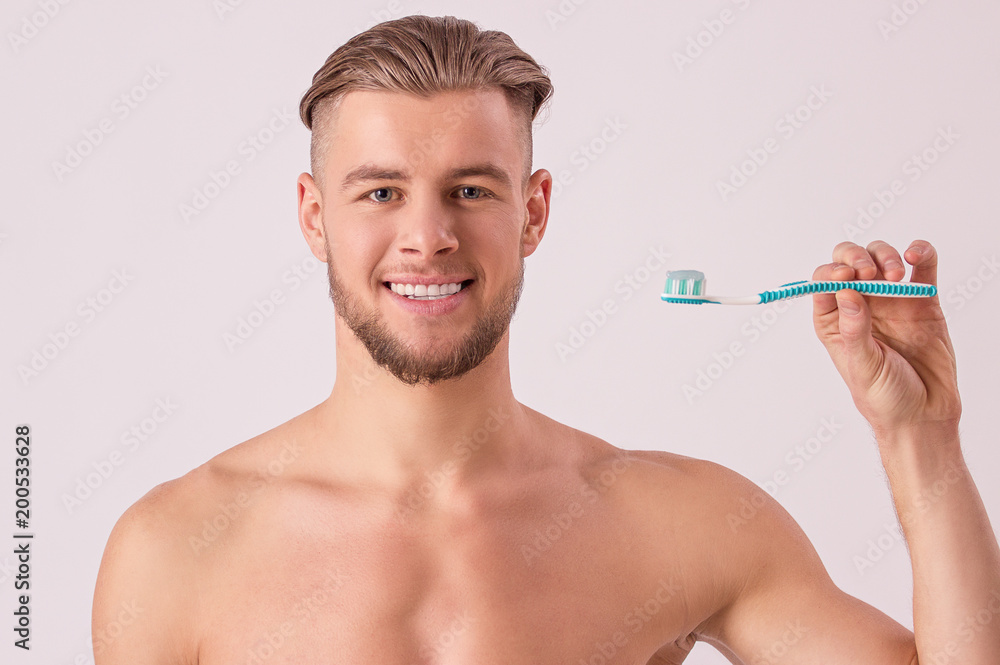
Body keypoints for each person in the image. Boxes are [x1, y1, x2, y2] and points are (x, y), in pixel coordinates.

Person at [92, 14, 1000, 664]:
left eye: (473, 190)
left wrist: (922, 441)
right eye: (379, 192)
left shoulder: (682, 522)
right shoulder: (174, 550)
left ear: (534, 211)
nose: (428, 236)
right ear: (312, 215)